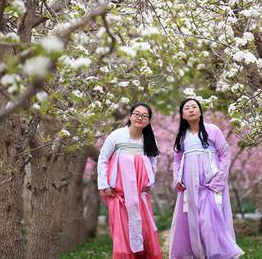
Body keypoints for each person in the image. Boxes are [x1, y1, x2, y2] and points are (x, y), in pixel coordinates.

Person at [169, 98, 243, 259]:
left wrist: (218, 180)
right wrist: (177, 179)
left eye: (194, 107)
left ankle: (217, 255)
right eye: (186, 108)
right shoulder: (182, 137)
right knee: (193, 222)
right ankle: (197, 254)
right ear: (182, 115)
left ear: (200, 111)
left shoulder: (212, 130)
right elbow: (176, 160)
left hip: (209, 185)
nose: (191, 110)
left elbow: (225, 154)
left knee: (209, 223)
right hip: (190, 187)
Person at [97, 103, 162, 259]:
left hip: (140, 197)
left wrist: (150, 181)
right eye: (136, 114)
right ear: (130, 115)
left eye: (144, 116)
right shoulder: (116, 136)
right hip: (119, 196)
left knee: (145, 232)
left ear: (148, 120)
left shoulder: (149, 140)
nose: (140, 118)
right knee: (123, 233)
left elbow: (153, 163)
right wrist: (105, 185)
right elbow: (103, 159)